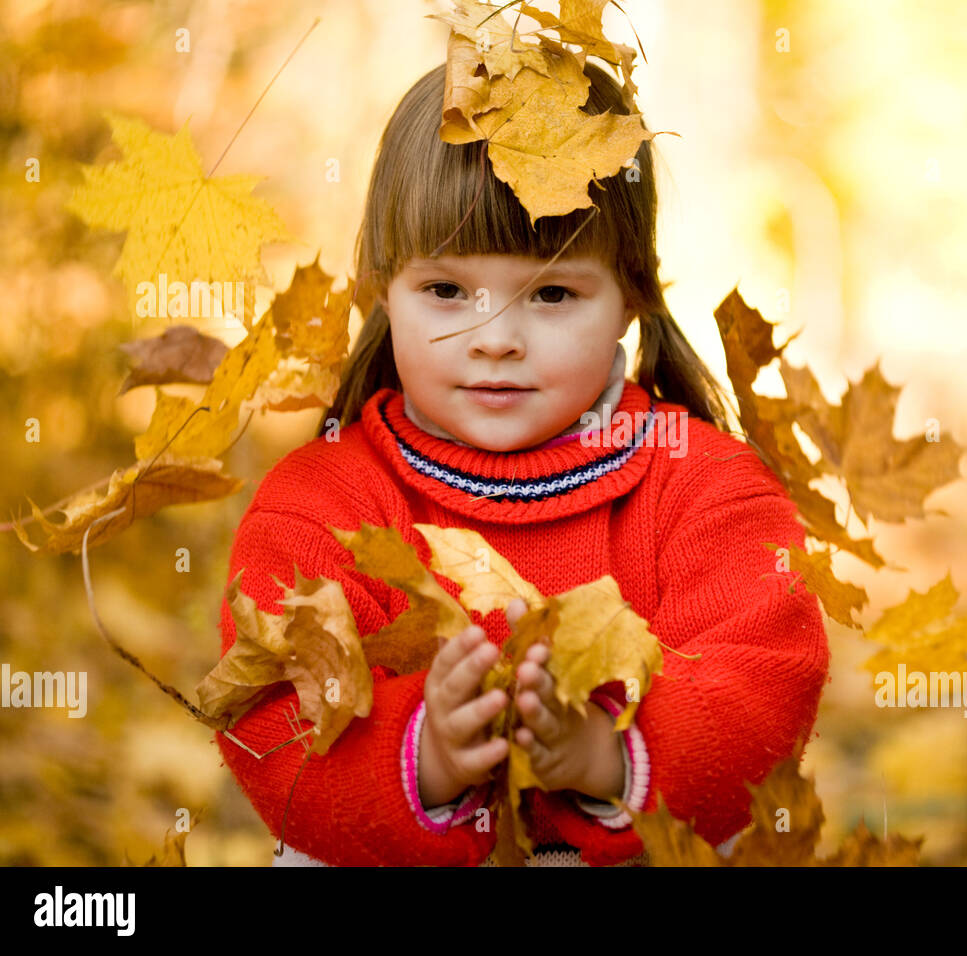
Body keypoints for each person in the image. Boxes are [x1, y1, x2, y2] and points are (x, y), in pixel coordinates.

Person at [213, 58, 829, 867]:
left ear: (630, 299)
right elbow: (273, 723)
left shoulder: (705, 488)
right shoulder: (322, 502)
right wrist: (424, 757)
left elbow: (763, 681)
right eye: (444, 289)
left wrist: (609, 757)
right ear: (381, 292)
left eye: (550, 295)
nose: (495, 336)